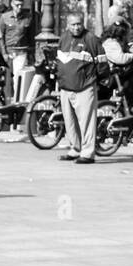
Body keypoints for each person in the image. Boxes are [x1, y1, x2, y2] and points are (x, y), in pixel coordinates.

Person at [56, 10, 103, 164]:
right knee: (70, 122)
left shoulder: (91, 39)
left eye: (79, 24)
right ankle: (75, 149)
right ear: (67, 24)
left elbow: (101, 63)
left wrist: (100, 82)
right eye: (73, 24)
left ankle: (88, 153)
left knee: (86, 122)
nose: (76, 27)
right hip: (66, 88)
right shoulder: (63, 38)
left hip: (85, 87)